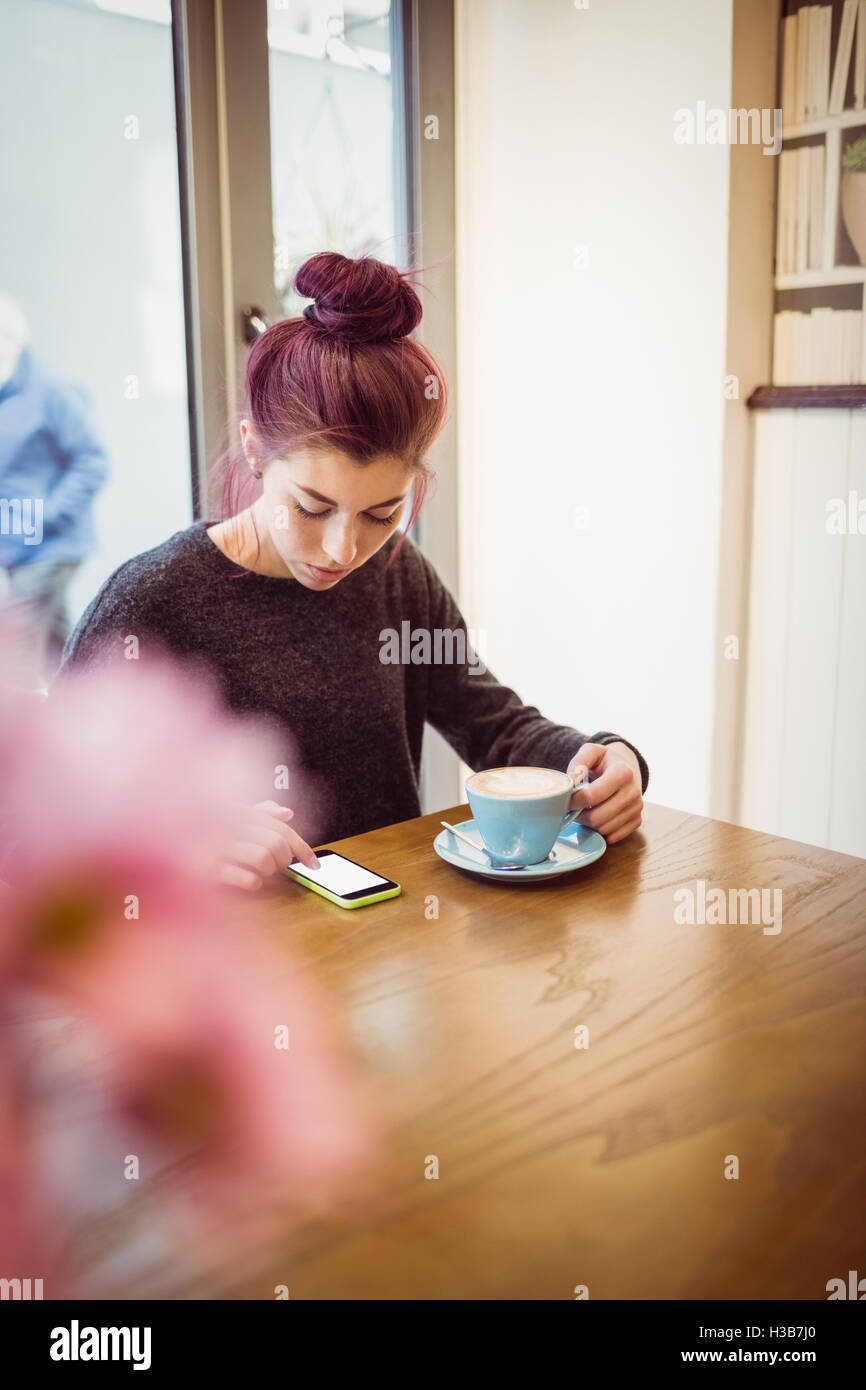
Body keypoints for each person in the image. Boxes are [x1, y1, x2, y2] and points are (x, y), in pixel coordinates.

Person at [56, 253, 648, 890]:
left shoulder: (400, 577)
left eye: (380, 514)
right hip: (229, 969)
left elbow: (497, 727)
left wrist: (601, 760)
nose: (342, 549)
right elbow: (47, 828)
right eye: (312, 507)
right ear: (255, 449)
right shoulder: (152, 603)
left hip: (386, 956)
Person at [0, 294, 108, 687]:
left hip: (51, 546)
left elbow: (92, 461)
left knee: (14, 645)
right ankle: (82, 712)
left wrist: (44, 515)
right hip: (16, 546)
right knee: (56, 645)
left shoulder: (50, 392)